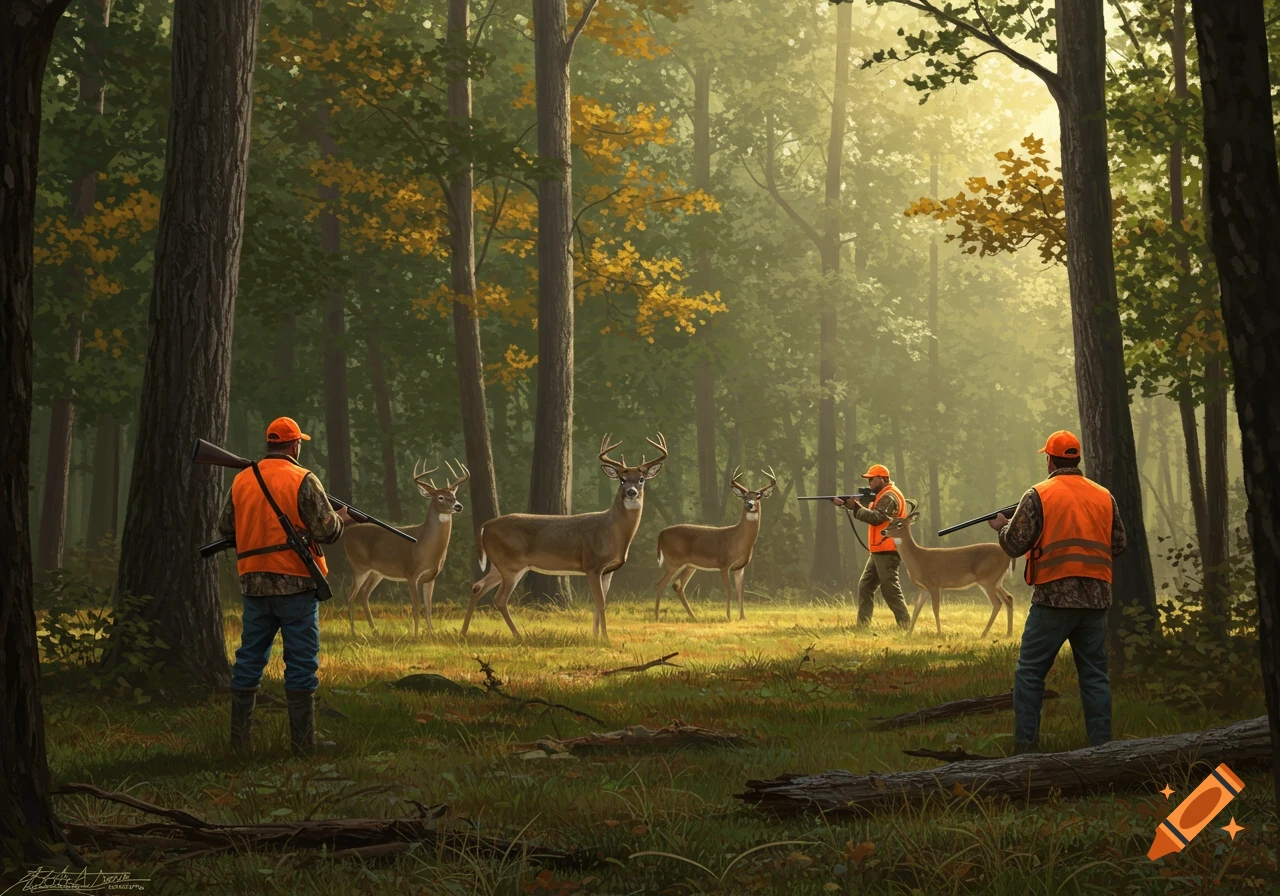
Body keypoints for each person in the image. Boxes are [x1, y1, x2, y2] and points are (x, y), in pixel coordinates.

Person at [217, 416, 351, 757]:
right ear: (295, 445)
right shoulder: (303, 478)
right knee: (302, 660)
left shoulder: (243, 479)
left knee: (249, 658)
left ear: (269, 443)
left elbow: (225, 527)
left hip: (253, 583)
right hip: (296, 582)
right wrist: (342, 519)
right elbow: (326, 532)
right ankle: (304, 743)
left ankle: (238, 743)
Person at [989, 430, 1126, 754]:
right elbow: (1119, 543)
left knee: (1030, 673)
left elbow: (1013, 544)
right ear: (1076, 459)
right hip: (1095, 600)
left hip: (1054, 598)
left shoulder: (1038, 494)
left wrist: (1001, 527)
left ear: (1050, 460)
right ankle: (1103, 748)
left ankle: (1025, 749)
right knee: (1094, 675)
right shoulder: (1103, 495)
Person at [833, 464, 911, 629]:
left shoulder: (889, 496)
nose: (869, 482)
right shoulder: (882, 495)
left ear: (882, 478)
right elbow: (874, 515)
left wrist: (855, 507)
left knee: (890, 589)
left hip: (888, 549)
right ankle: (862, 625)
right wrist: (852, 506)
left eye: (871, 479)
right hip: (879, 549)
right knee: (866, 586)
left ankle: (906, 625)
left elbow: (877, 518)